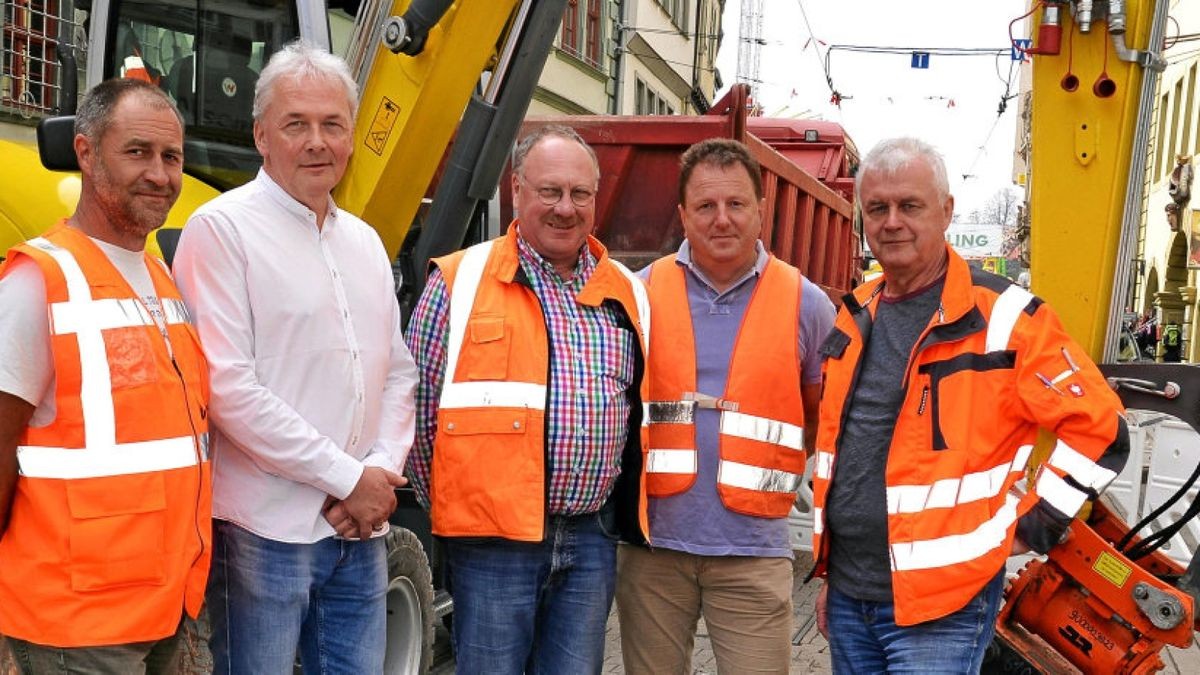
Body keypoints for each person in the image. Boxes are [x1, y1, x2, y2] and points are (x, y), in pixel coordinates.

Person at [812, 137, 1129, 674]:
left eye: (910, 206)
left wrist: (1032, 524)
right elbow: (848, 451)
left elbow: (1100, 430)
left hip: (944, 605)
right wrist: (831, 577)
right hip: (849, 595)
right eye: (878, 208)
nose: (892, 222)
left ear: (947, 212)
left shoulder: (1006, 319)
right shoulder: (857, 312)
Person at [172, 41, 418, 674]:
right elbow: (228, 389)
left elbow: (396, 372)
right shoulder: (220, 231)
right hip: (263, 532)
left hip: (357, 529)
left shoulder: (363, 241)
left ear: (352, 135)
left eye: (332, 124)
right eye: (296, 124)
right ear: (261, 134)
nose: (317, 141)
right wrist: (348, 478)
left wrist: (379, 477)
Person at [405, 124, 650, 674]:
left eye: (579, 193)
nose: (566, 208)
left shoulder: (627, 292)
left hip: (590, 539)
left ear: (595, 196)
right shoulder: (460, 281)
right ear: (517, 190)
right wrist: (458, 510)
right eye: (550, 191)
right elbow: (416, 417)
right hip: (495, 545)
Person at [0, 78, 209, 673]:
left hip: (167, 606)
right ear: (87, 154)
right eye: (137, 151)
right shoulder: (38, 281)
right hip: (76, 621)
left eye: (171, 157)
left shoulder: (159, 273)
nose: (160, 174)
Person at [615, 138, 835, 673]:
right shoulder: (639, 295)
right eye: (706, 206)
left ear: (761, 210)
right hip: (653, 552)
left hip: (754, 552)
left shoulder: (807, 304)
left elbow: (820, 420)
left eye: (736, 204)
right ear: (683, 216)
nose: (722, 220)